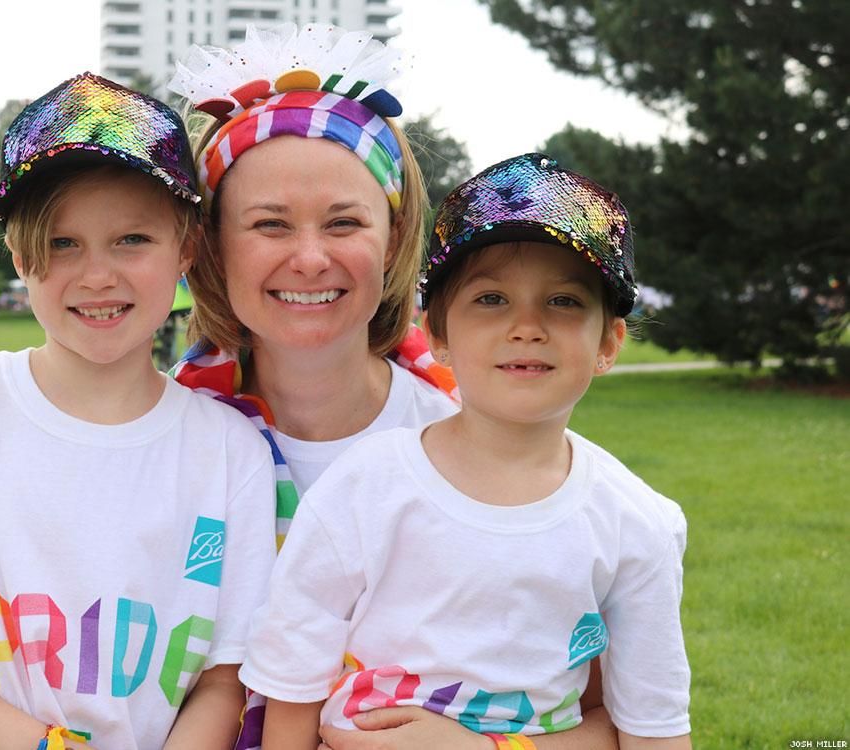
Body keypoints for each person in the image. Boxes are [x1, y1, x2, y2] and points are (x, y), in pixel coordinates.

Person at [168, 24, 618, 750]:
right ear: (214, 246)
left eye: (344, 222)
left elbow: (606, 713)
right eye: (269, 224)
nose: (310, 258)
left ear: (394, 234)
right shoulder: (157, 438)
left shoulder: (474, 442)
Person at [0, 73, 277, 749]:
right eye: (62, 243)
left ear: (185, 250)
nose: (98, 275)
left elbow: (222, 678)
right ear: (19, 255)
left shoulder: (227, 451)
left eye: (132, 239)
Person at [241, 153, 692, 749]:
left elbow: (652, 730)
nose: (527, 326)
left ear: (609, 342)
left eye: (563, 301)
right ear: (439, 333)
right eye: (491, 299)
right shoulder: (366, 485)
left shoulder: (637, 524)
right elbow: (293, 678)